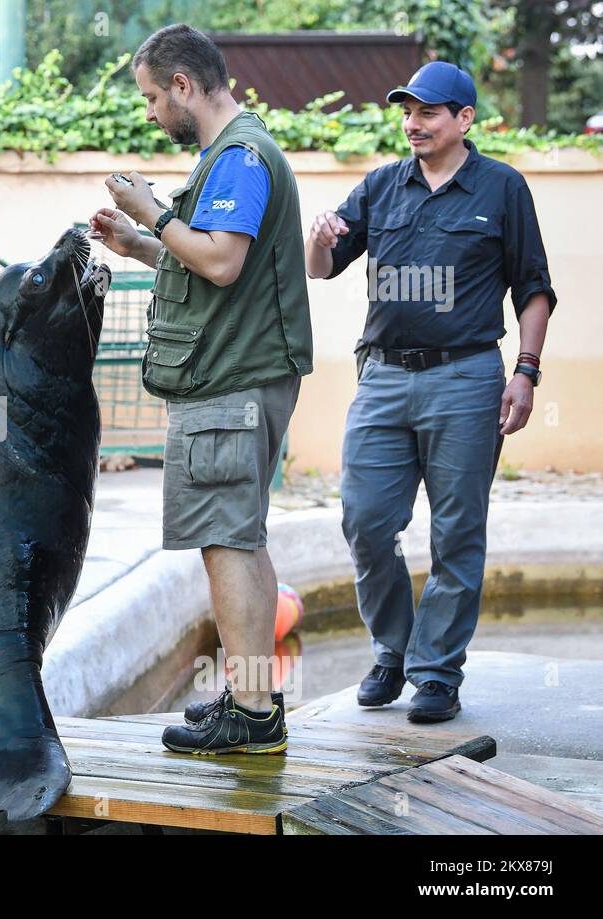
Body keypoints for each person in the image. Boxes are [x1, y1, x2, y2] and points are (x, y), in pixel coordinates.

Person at [304, 62, 555, 722]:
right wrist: (318, 240)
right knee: (366, 520)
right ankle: (393, 648)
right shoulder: (383, 186)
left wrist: (526, 371)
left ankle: (437, 672)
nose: (413, 124)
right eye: (407, 113)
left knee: (458, 532)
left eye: (428, 112)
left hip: (466, 378)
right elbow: (323, 269)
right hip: (384, 378)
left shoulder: (502, 188)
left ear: (464, 119)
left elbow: (533, 287)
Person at [89, 24, 313, 755]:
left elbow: (219, 262)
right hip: (232, 378)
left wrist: (154, 208)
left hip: (232, 383)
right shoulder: (229, 156)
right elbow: (207, 263)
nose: (151, 111)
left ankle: (251, 712)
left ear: (184, 86)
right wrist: (141, 244)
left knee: (225, 541)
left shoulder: (241, 158)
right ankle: (252, 701)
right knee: (235, 538)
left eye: (154, 96)